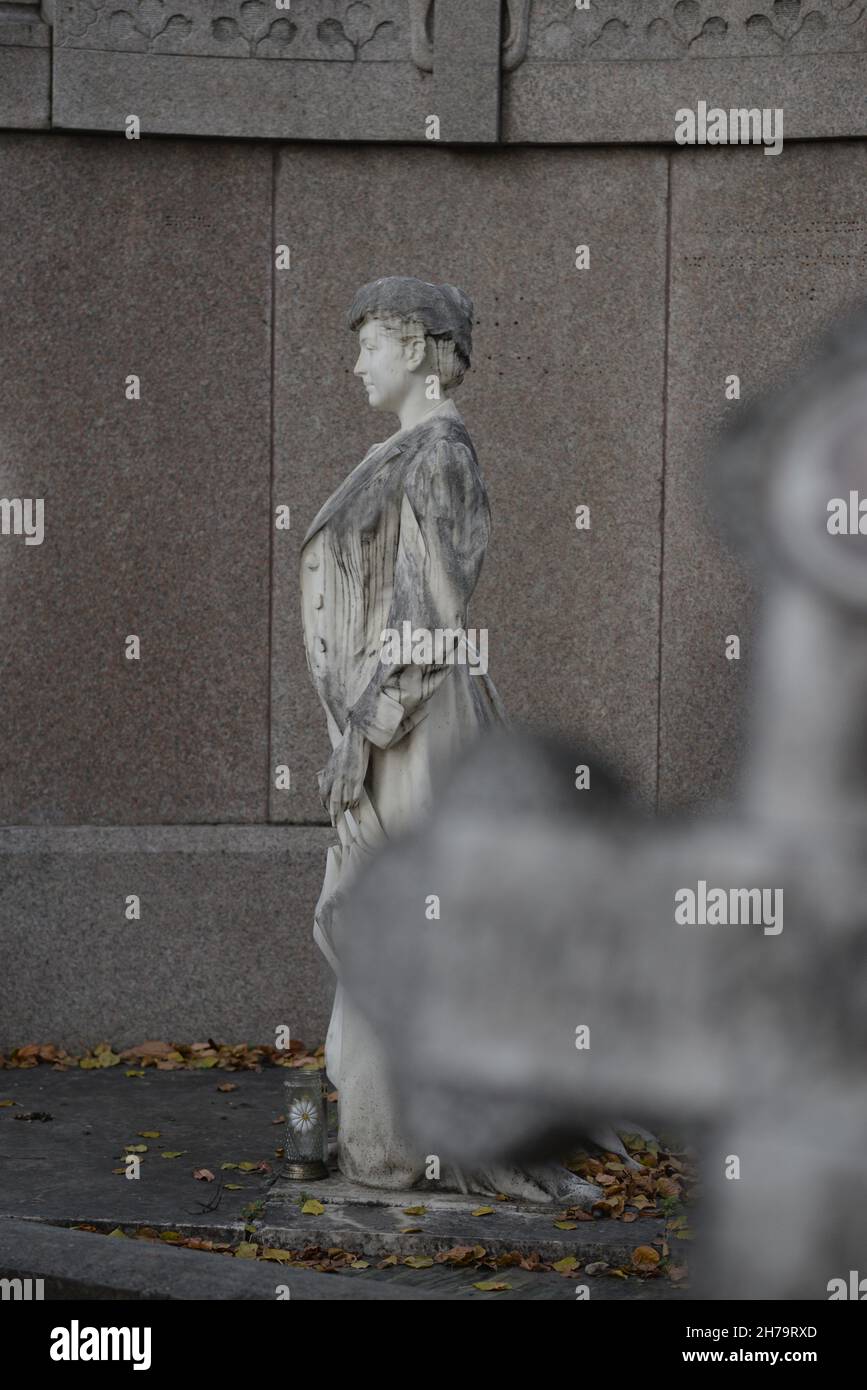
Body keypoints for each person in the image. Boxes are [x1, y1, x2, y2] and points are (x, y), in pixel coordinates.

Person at [300, 276, 601, 1203]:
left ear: (423, 351)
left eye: (373, 344)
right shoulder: (402, 452)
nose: (356, 362)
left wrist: (367, 727)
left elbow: (431, 612)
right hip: (392, 722)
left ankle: (410, 1142)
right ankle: (385, 1135)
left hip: (413, 724)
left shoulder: (439, 454)